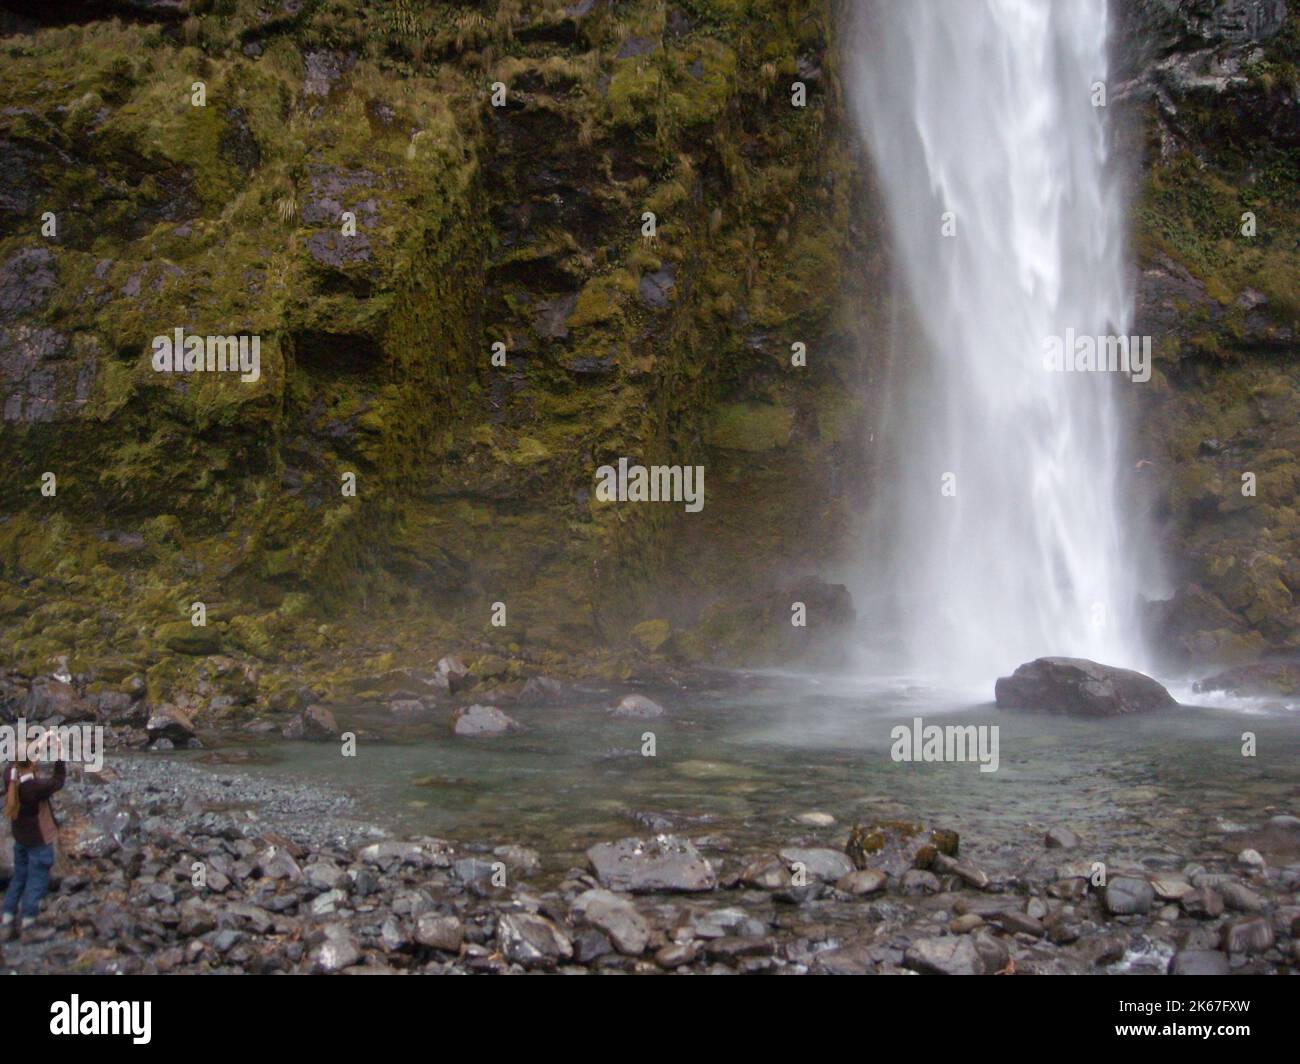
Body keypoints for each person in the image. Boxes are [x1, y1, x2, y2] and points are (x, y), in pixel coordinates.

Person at [3, 736, 65, 940]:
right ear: (32, 762)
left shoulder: (9, 777)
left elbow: (20, 762)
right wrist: (59, 754)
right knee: (37, 880)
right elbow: (58, 780)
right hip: (38, 840)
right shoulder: (35, 788)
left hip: (20, 838)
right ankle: (28, 924)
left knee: (19, 877)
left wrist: (41, 742)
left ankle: (7, 919)